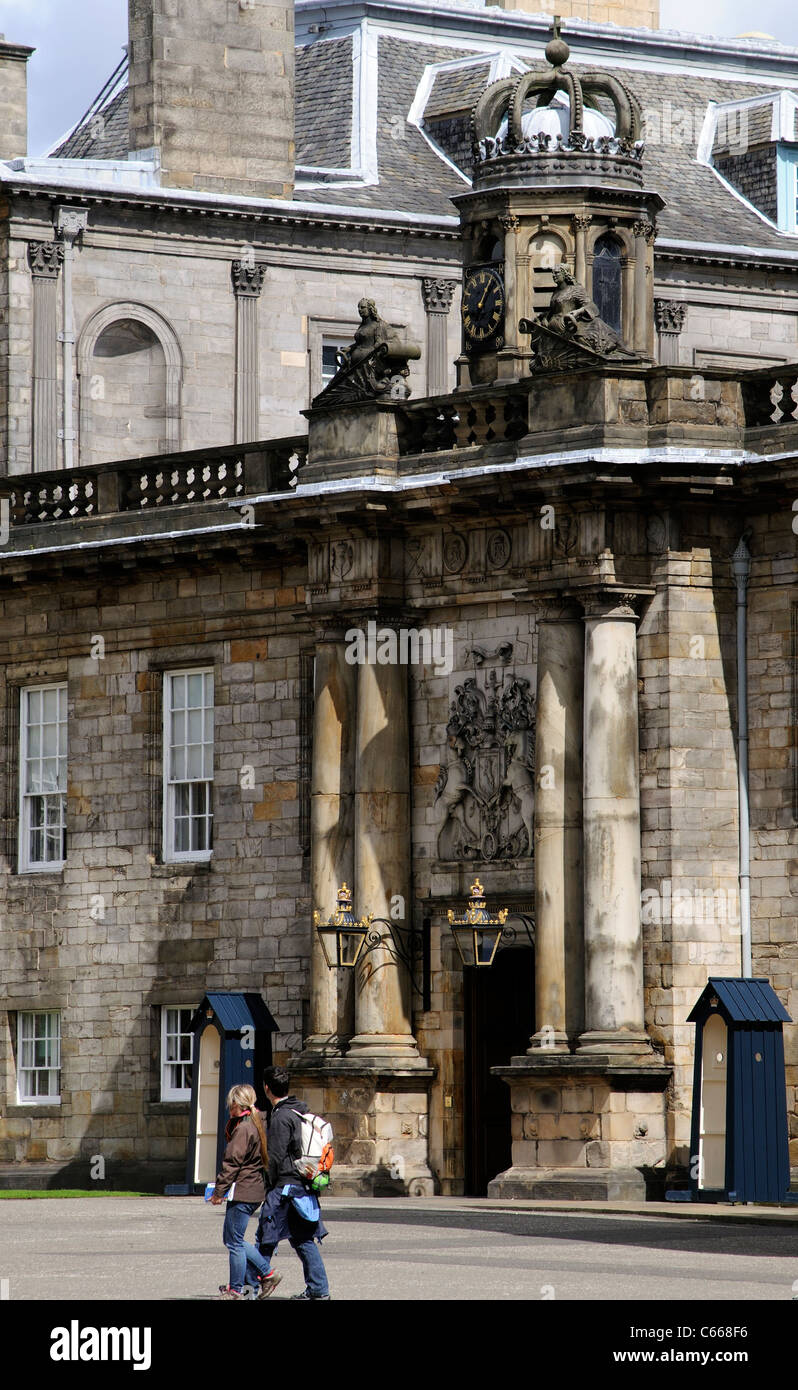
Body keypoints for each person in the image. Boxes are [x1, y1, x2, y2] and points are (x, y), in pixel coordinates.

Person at [255, 1066, 331, 1301]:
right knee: (302, 1239)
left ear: (267, 1088)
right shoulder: (299, 1111)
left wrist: (267, 1184)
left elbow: (275, 1157)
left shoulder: (281, 1117)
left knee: (266, 1237)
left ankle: (247, 1288)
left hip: (285, 1186)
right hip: (301, 1183)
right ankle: (319, 1289)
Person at [210, 1083, 282, 1300]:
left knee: (234, 1242)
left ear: (237, 1104)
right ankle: (267, 1274)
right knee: (234, 1239)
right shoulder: (259, 1121)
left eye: (230, 1104)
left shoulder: (243, 1128)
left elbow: (232, 1163)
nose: (228, 1108)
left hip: (243, 1190)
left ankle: (237, 1289)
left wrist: (219, 1192)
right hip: (255, 1188)